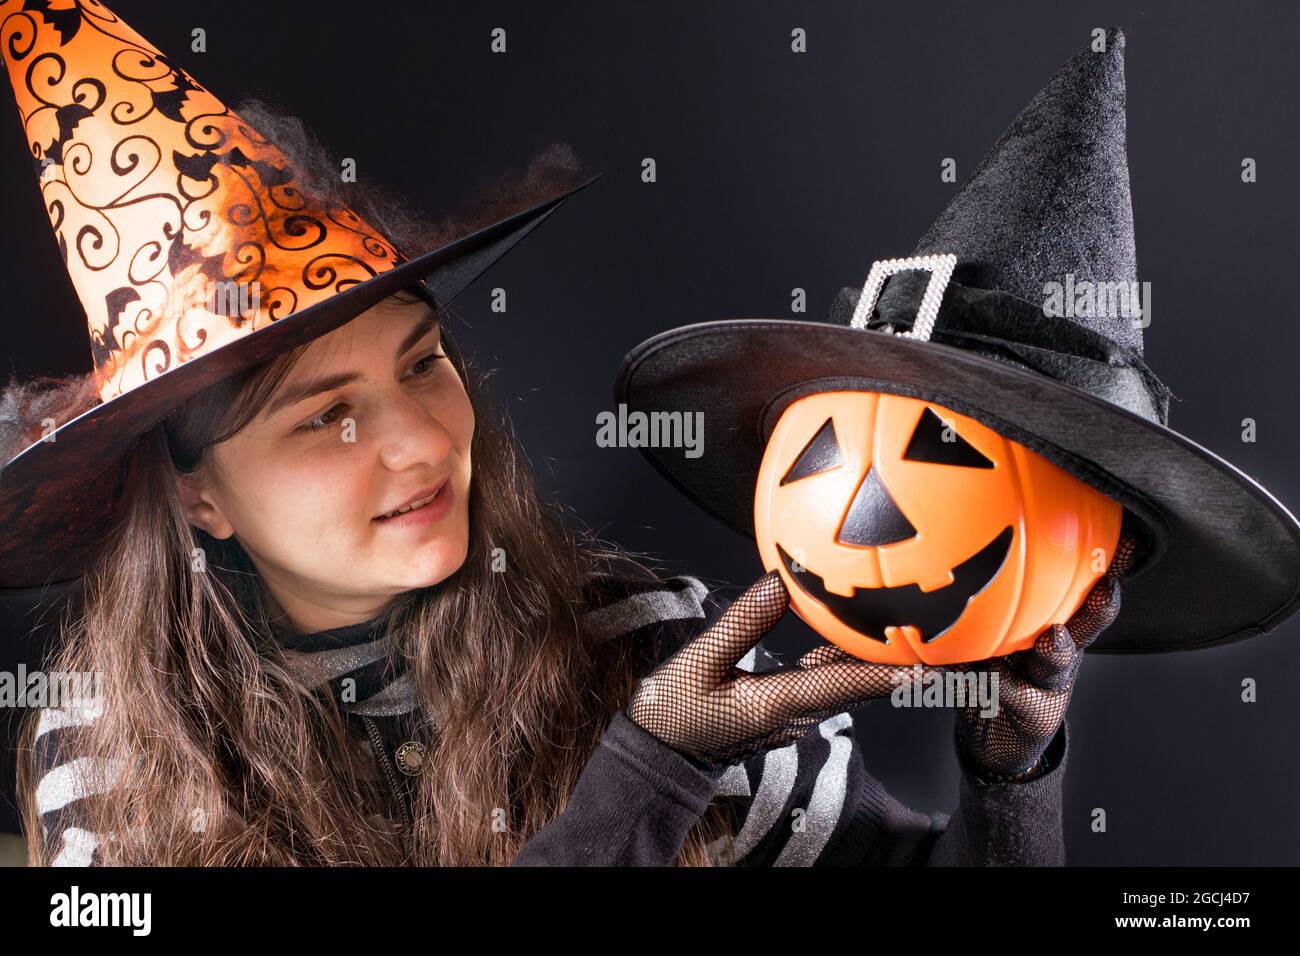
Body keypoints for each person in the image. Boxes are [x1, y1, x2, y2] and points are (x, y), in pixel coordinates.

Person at [0, 2, 1126, 868]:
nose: (424, 439)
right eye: (328, 414)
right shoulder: (105, 754)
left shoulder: (640, 640)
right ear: (199, 492)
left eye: (421, 362)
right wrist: (652, 767)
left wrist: (1008, 766)